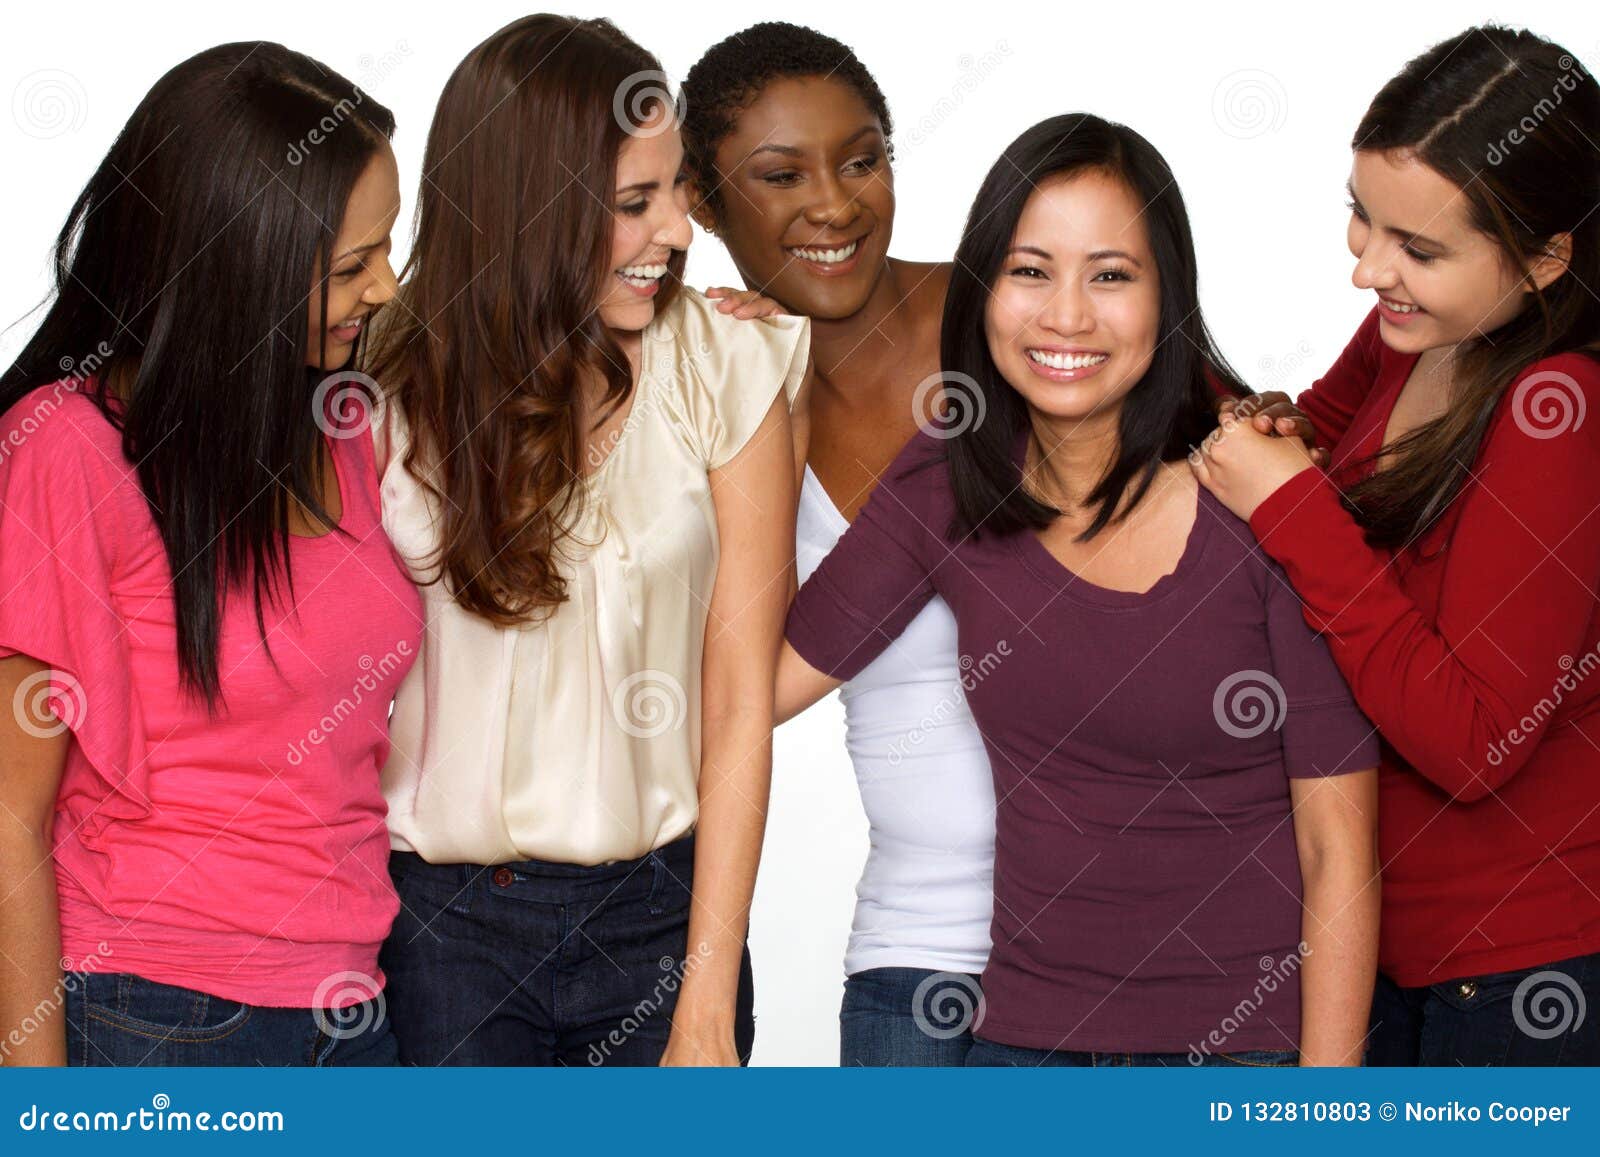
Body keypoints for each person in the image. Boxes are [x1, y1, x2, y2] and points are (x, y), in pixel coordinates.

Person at [0, 42, 417, 1066]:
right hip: (163, 1016)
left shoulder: (346, 418)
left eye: (389, 248)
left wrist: (711, 326)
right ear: (242, 262)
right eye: (354, 264)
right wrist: (36, 1099)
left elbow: (538, 350)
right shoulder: (68, 450)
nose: (388, 288)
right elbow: (7, 818)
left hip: (357, 1004)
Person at [1194, 24, 1600, 1066]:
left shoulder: (1562, 412)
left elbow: (1476, 745)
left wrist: (1287, 502)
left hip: (1516, 980)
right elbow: (1287, 447)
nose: (1369, 269)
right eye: (1360, 218)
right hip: (1384, 948)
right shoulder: (1411, 329)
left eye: (1417, 248)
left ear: (1547, 258)